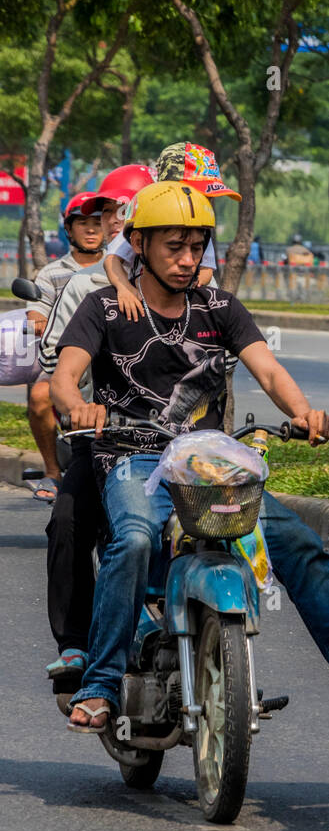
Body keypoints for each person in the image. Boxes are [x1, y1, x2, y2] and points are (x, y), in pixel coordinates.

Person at [50, 182, 329, 732]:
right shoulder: (103, 307)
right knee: (136, 539)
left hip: (208, 465)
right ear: (139, 244)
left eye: (197, 246)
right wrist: (78, 407)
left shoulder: (220, 307)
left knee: (298, 544)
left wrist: (304, 412)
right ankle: (100, 683)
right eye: (175, 246)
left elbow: (267, 370)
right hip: (131, 457)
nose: (188, 259)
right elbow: (65, 378)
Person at [38, 163, 153, 676]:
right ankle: (76, 640)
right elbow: (53, 371)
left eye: (120, 212)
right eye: (109, 213)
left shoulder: (198, 289)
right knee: (67, 519)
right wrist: (81, 403)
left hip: (174, 441)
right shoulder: (84, 287)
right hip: (101, 437)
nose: (112, 223)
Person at [25, 193, 105, 499]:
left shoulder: (122, 268)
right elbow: (36, 317)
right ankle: (52, 472)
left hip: (116, 359)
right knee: (40, 394)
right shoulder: (51, 274)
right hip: (67, 361)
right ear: (69, 230)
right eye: (82, 222)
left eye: (96, 222)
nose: (90, 229)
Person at [101, 142, 238, 298]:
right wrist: (125, 289)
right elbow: (112, 260)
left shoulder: (199, 230)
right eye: (200, 195)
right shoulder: (144, 219)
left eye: (209, 198)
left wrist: (190, 284)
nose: (205, 203)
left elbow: (206, 270)